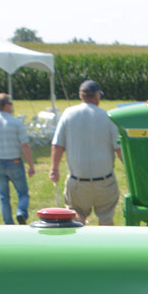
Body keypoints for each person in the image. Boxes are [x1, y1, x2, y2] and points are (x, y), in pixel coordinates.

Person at [49, 79, 123, 225]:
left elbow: (57, 145)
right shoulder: (108, 117)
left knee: (77, 216)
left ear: (81, 96)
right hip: (105, 181)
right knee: (106, 217)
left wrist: (54, 169)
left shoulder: (68, 114)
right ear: (97, 96)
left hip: (78, 181)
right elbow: (119, 148)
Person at [0, 92, 35, 225]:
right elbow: (25, 145)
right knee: (23, 193)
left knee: (4, 197)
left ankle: (8, 223)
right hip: (15, 161)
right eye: (10, 103)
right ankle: (21, 212)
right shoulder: (16, 123)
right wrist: (31, 165)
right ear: (6, 105)